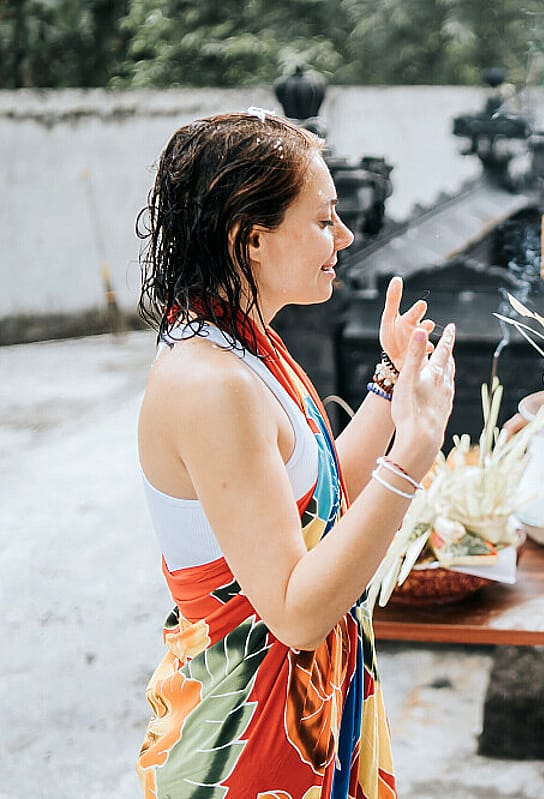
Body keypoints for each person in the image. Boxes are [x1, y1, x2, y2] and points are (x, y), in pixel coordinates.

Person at [134, 111, 456, 797]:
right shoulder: (211, 383)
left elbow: (318, 496)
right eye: (323, 220)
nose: (344, 237)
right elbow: (296, 611)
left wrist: (391, 380)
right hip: (247, 747)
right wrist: (414, 456)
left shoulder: (246, 344)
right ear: (251, 238)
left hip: (294, 722)